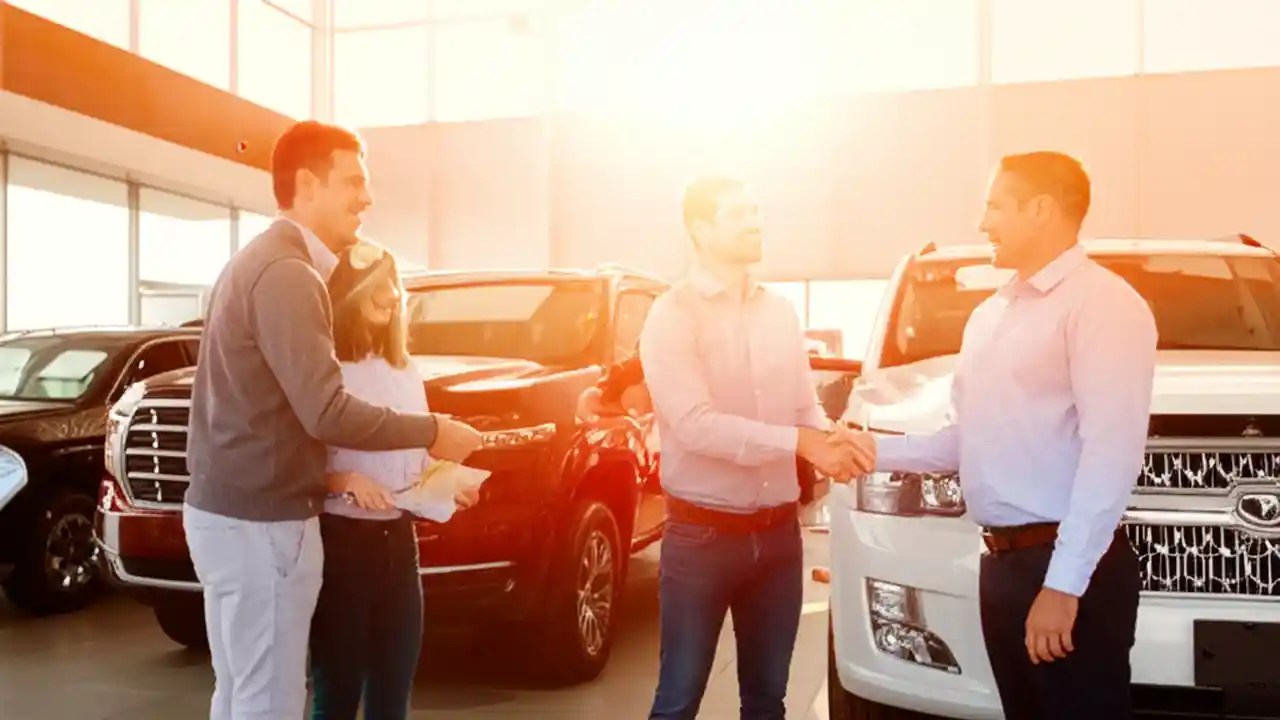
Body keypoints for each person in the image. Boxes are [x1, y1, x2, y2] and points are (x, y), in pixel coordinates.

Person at [837, 151, 1157, 719]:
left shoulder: (1103, 304)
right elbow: (964, 440)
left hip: (1063, 567)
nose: (983, 222)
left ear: (1042, 209)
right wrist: (867, 451)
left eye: (994, 206)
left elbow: (1111, 453)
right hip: (1003, 568)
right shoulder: (990, 316)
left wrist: (1064, 587)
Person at [182, 120, 483, 720]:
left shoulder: (258, 262)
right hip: (262, 523)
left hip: (232, 515)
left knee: (241, 691)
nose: (367, 199)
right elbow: (326, 412)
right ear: (306, 185)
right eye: (353, 182)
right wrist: (431, 431)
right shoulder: (290, 274)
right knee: (270, 701)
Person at [642, 176, 867, 720]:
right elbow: (696, 426)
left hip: (778, 538)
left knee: (767, 700)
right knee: (678, 699)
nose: (755, 222)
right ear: (700, 228)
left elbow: (801, 407)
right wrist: (802, 443)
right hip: (701, 539)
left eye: (757, 210)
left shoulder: (779, 312)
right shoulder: (671, 315)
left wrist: (832, 437)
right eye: (739, 213)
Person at [309, 242, 479, 720]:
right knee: (337, 693)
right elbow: (296, 464)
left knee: (392, 693)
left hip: (399, 544)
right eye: (377, 289)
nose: (389, 298)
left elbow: (414, 453)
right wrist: (345, 479)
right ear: (348, 293)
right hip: (342, 547)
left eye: (393, 288)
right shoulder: (326, 370)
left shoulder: (405, 369)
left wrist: (448, 483)